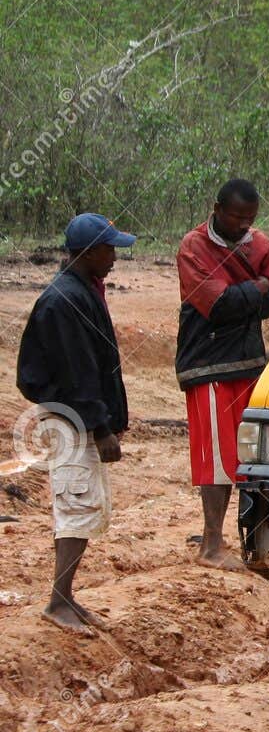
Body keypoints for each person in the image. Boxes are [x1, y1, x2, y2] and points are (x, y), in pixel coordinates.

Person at [16, 214, 135, 635]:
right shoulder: (67, 300)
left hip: (77, 417)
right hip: (72, 421)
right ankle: (58, 601)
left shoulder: (80, 291)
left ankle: (65, 597)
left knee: (82, 507)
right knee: (75, 506)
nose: (115, 257)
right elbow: (78, 372)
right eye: (108, 249)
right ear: (87, 252)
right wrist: (100, 428)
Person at [176, 179, 269, 569]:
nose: (243, 225)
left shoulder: (260, 243)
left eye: (250, 219)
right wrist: (253, 288)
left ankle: (254, 539)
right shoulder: (193, 246)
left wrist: (244, 293)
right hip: (207, 364)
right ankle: (210, 544)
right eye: (236, 217)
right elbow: (215, 305)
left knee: (251, 452)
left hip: (249, 360)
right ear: (218, 209)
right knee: (218, 458)